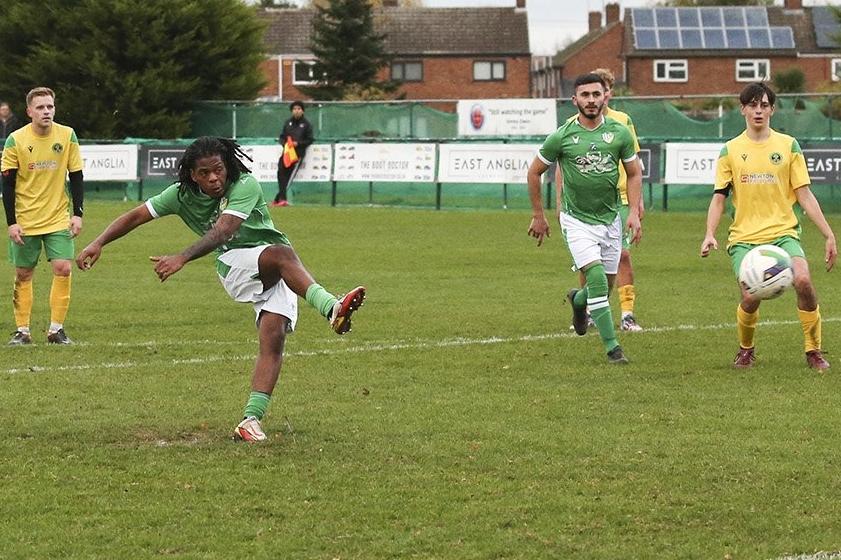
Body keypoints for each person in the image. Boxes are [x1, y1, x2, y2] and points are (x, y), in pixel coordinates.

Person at [76, 136, 365, 441]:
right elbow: (137, 215)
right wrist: (98, 242)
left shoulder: (245, 184)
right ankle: (331, 307)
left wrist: (182, 257)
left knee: (274, 338)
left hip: (275, 269)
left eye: (218, 169)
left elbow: (225, 227)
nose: (214, 178)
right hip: (236, 265)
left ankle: (250, 420)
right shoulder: (180, 195)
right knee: (282, 255)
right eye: (204, 173)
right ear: (192, 175)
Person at [700, 82, 836, 371]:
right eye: (752, 105)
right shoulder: (730, 150)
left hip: (782, 234)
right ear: (743, 110)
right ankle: (746, 349)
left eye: (764, 105)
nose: (758, 110)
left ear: (772, 109)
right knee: (750, 297)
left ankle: (813, 350)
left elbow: (805, 195)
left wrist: (828, 234)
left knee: (804, 281)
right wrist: (710, 233)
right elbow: (718, 199)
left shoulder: (788, 146)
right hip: (745, 239)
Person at [527, 73, 643, 364]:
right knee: (596, 279)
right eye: (585, 95)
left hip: (610, 219)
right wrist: (538, 215)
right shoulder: (563, 135)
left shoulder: (620, 133)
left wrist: (633, 213)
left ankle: (578, 302)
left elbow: (634, 173)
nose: (591, 100)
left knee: (603, 284)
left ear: (605, 96)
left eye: (596, 94)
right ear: (574, 99)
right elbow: (534, 172)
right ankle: (613, 348)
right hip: (576, 220)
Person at [2, 87, 84, 345]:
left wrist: (77, 213)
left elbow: (77, 175)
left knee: (63, 267)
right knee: (24, 274)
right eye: (40, 107)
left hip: (58, 217)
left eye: (50, 106)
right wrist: (12, 222)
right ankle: (22, 331)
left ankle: (56, 330)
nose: (46, 111)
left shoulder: (67, 135)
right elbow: (7, 184)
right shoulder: (15, 140)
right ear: (29, 112)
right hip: (25, 220)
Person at [273, 100, 313, 207]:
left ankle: (280, 199)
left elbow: (310, 140)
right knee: (280, 173)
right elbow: (282, 137)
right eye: (294, 109)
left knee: (289, 177)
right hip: (286, 154)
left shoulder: (306, 124)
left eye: (299, 109)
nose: (296, 111)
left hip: (297, 155)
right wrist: (285, 143)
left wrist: (297, 144)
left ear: (303, 111)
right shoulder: (288, 123)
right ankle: (279, 199)